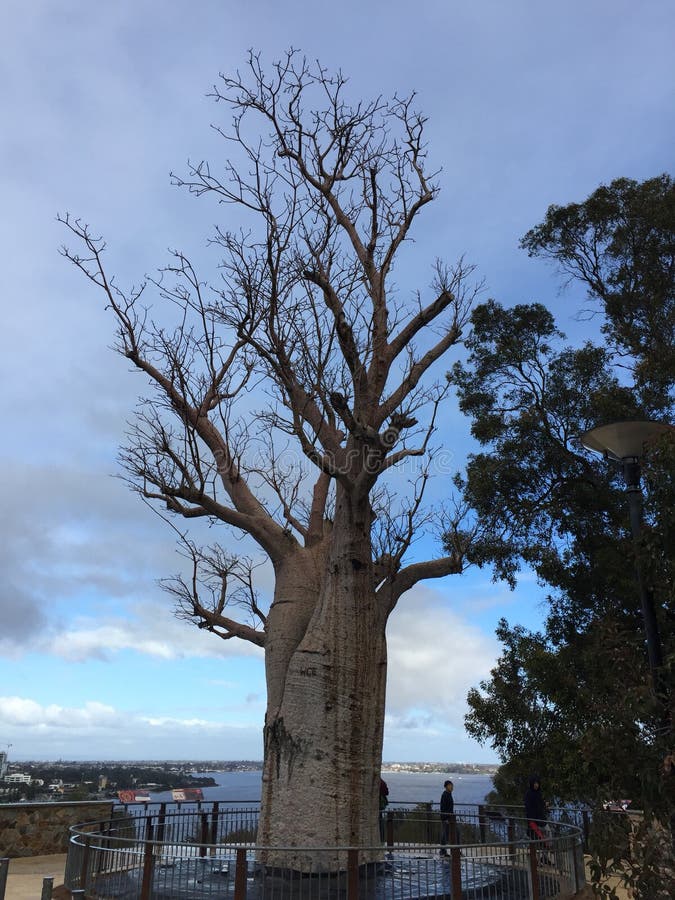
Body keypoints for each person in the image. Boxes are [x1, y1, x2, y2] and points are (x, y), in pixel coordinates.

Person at [524, 775, 548, 843]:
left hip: (541, 818)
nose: (536, 785)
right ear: (532, 784)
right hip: (533, 820)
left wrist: (544, 804)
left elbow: (540, 803)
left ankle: (548, 849)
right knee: (538, 837)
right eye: (535, 783)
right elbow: (529, 806)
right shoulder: (528, 794)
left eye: (537, 783)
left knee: (547, 834)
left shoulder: (539, 793)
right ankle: (542, 850)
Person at [439, 779, 454, 856]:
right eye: (450, 785)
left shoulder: (449, 794)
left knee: (451, 833)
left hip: (450, 818)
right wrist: (446, 818)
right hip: (446, 818)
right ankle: (443, 851)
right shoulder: (445, 795)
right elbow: (443, 807)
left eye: (452, 785)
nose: (452, 787)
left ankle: (454, 850)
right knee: (444, 834)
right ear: (446, 786)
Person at [379, 777, 389, 842]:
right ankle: (382, 839)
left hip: (378, 804)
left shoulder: (380, 782)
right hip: (380, 805)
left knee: (379, 822)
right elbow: (386, 792)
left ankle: (381, 839)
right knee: (380, 822)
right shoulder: (382, 782)